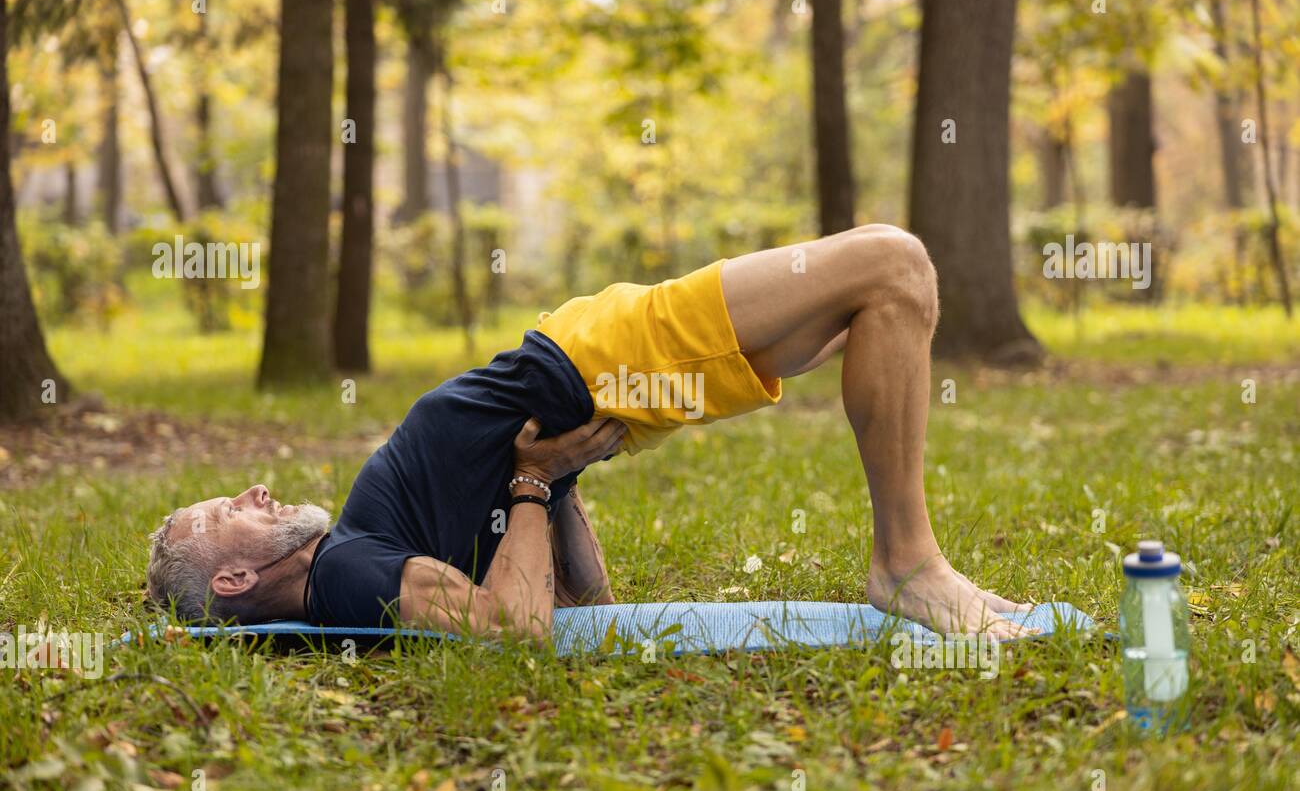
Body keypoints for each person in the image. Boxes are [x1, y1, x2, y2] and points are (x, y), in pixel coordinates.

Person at [147, 224, 1036, 642]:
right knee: (894, 266)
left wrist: (548, 481)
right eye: (229, 508)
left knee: (884, 300)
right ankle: (908, 566)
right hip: (592, 361)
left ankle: (913, 564)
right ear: (232, 575)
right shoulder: (344, 574)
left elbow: (585, 606)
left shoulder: (363, 546)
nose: (254, 489)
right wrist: (534, 480)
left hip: (588, 367)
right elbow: (516, 630)